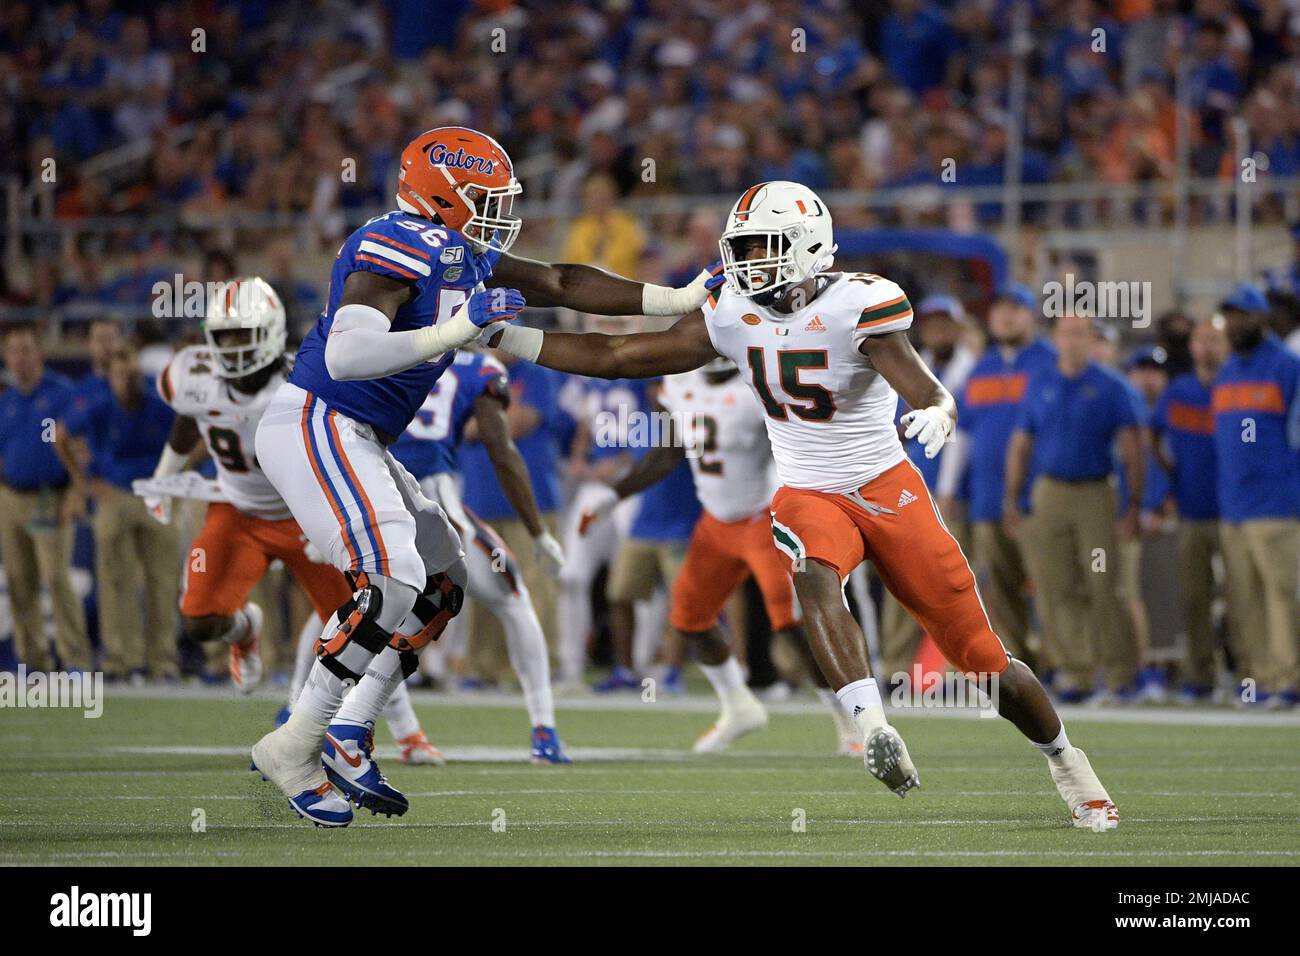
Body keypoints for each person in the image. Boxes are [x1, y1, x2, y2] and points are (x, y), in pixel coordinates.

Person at [486, 180, 1119, 830]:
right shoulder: (732, 311)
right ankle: (873, 726)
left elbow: (915, 380)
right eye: (743, 247)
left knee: (985, 661)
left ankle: (1067, 760)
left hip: (887, 489)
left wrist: (939, 407)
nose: (748, 262)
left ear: (808, 244)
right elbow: (620, 356)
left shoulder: (859, 302)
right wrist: (505, 337)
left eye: (764, 246)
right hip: (806, 489)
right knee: (815, 577)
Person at [249, 127, 721, 827]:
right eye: (485, 197)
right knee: (391, 578)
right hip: (318, 419)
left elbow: (564, 285)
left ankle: (351, 730)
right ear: (443, 193)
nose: (500, 210)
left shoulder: (463, 260)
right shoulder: (400, 240)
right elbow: (347, 355)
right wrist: (454, 331)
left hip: (362, 437)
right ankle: (295, 744)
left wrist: (677, 301)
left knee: (441, 586)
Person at [581, 356, 860, 753]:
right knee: (690, 618)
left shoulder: (759, 388)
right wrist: (613, 496)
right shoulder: (677, 383)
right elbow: (667, 453)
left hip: (762, 519)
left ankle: (848, 717)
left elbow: (805, 446)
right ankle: (738, 706)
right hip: (715, 523)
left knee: (791, 622)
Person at [388, 348, 570, 762]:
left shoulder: (381, 356)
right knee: (512, 597)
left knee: (364, 616)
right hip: (439, 508)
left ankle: (377, 730)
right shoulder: (478, 370)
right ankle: (544, 729)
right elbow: (501, 450)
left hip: (378, 507)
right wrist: (539, 532)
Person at [1004, 314, 1144, 703]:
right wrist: (1012, 497)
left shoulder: (1110, 386)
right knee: (1054, 585)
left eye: (1081, 334)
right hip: (1049, 494)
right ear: (1055, 339)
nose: (1073, 341)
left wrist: (1134, 503)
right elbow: (1021, 442)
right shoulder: (1041, 384)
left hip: (1096, 495)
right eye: (1066, 333)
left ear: (1090, 339)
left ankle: (1119, 675)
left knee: (1103, 582)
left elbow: (1133, 444)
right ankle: (1074, 673)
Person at [943, 284, 1056, 672]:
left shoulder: (1049, 361)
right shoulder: (982, 368)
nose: (1006, 317)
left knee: (1051, 585)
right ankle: (1021, 669)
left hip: (1039, 497)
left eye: (1015, 310)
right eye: (1000, 311)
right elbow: (965, 434)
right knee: (999, 590)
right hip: (986, 497)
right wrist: (953, 489)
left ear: (1031, 316)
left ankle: (1065, 667)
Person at [58, 344, 179, 681]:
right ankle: (119, 660)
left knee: (162, 581)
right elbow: (61, 435)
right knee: (114, 580)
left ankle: (163, 661)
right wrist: (82, 483)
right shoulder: (98, 407)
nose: (127, 381)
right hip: (113, 494)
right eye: (121, 374)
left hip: (155, 493)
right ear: (110, 377)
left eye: (132, 374)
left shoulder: (157, 405)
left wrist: (174, 474)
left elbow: (189, 433)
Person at [879, 293, 978, 684]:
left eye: (944, 323)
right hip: (909, 489)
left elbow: (965, 436)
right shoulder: (907, 366)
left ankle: (958, 669)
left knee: (954, 581)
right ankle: (895, 669)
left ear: (958, 327)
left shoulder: (974, 371)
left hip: (956, 495)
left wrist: (951, 488)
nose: (937, 330)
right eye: (932, 323)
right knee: (900, 580)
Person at [1211, 283, 1300, 707]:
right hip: (1234, 506)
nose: (1233, 323)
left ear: (1262, 317)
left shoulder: (1287, 366)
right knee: (1245, 599)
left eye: (1241, 315)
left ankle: (1290, 680)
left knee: (1282, 595)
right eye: (1229, 316)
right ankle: (1262, 680)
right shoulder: (1227, 372)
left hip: (1277, 504)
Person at [0, 325, 91, 672]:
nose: (20, 358)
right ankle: (33, 661)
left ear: (39, 353)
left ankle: (75, 660)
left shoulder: (63, 394)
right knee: (19, 581)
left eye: (26, 350)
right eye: (13, 351)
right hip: (11, 496)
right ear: (7, 358)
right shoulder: (6, 401)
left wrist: (76, 491)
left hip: (50, 497)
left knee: (55, 578)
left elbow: (81, 446)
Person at [1151, 316, 1229, 701]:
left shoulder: (1235, 384)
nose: (1207, 347)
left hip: (1235, 509)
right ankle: (1201, 677)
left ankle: (1253, 676)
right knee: (1194, 597)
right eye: (1202, 340)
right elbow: (1154, 435)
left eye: (1215, 340)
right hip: (1192, 506)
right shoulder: (1179, 390)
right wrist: (1172, 476)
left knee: (1244, 598)